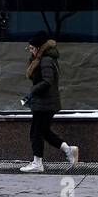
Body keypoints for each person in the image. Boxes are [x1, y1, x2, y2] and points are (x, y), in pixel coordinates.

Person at [19, 32, 78, 173]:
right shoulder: (41, 59)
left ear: (39, 48)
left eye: (32, 48)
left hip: (45, 103)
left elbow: (47, 81)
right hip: (43, 102)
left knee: (36, 132)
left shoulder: (45, 60)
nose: (31, 51)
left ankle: (37, 163)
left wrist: (32, 91)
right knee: (43, 131)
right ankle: (69, 150)